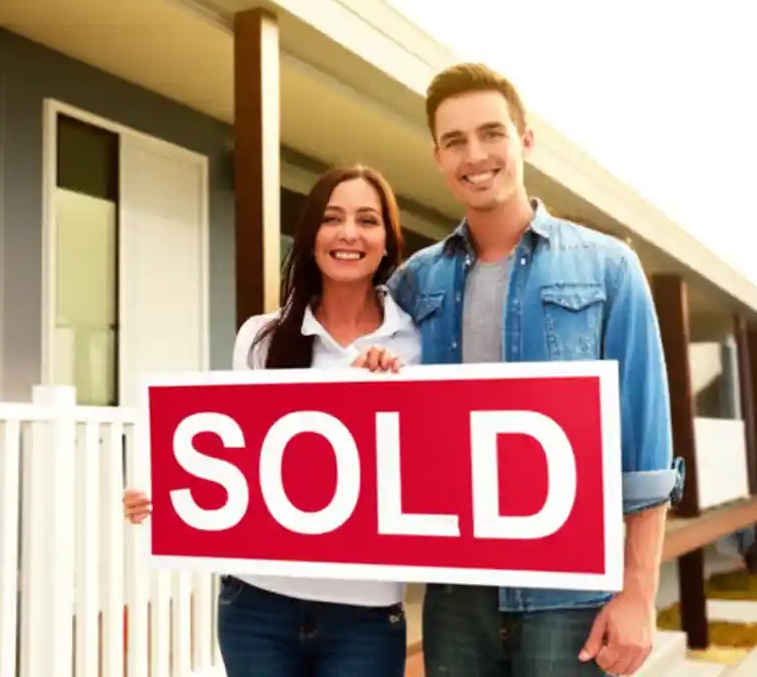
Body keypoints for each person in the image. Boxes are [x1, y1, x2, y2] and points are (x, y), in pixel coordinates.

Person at [360, 63, 683, 676]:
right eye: (454, 141)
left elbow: (645, 451)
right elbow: (363, 398)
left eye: (491, 133)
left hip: (571, 594)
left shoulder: (610, 268)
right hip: (457, 597)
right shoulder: (414, 282)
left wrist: (639, 593)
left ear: (525, 140)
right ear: (436, 156)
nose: (474, 155)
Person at [123, 164, 420, 676]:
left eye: (367, 220)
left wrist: (389, 394)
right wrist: (167, 496)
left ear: (387, 241)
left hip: (366, 614)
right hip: (258, 604)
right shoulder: (261, 337)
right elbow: (244, 458)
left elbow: (430, 468)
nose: (349, 233)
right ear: (309, 237)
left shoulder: (416, 341)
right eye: (332, 219)